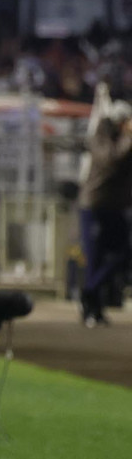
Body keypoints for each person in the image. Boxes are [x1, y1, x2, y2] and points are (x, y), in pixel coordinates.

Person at [78, 98, 132, 327]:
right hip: (95, 206)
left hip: (117, 207)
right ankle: (93, 309)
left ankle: (89, 293)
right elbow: (111, 160)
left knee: (123, 253)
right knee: (96, 258)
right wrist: (129, 137)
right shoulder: (100, 136)